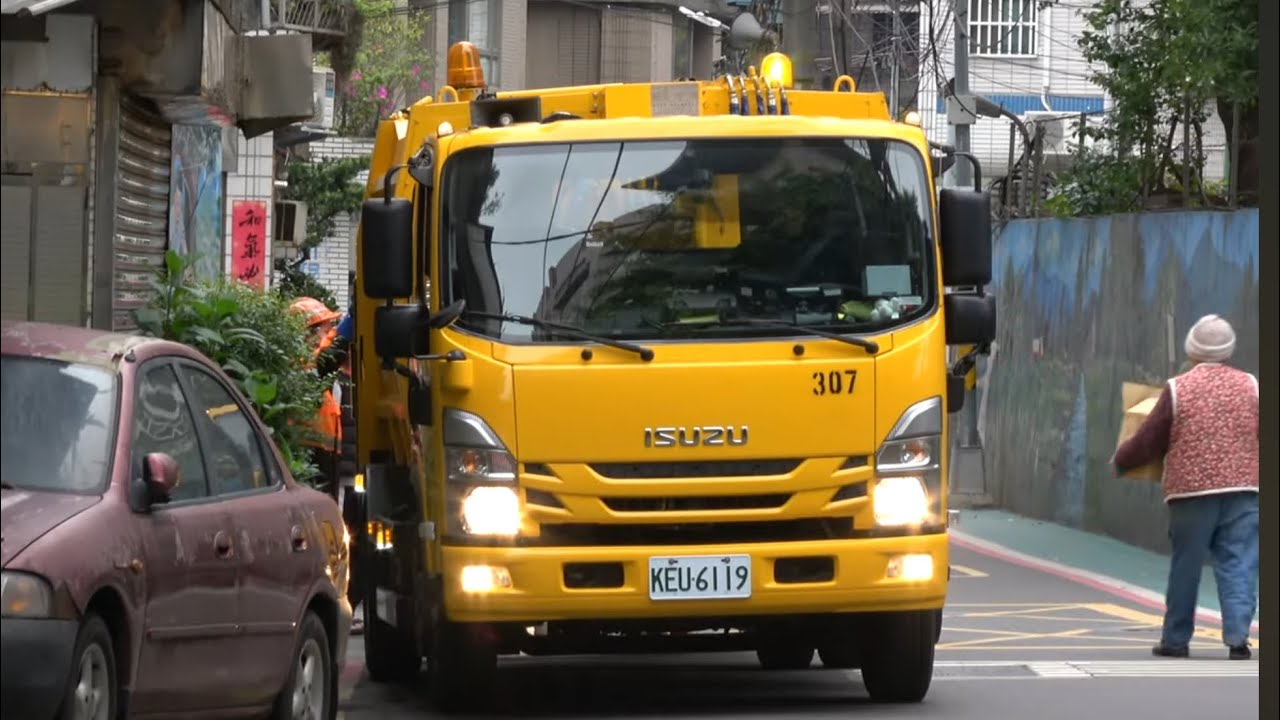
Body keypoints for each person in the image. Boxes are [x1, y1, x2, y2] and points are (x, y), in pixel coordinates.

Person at [1112, 314, 1258, 661]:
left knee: (1186, 567)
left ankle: (1176, 640)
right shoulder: (1252, 385)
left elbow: (1149, 439)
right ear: (1228, 351)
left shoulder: (1178, 388)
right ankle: (1238, 640)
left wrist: (1122, 459)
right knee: (1239, 563)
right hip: (1244, 490)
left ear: (1192, 351)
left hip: (1190, 495)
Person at [290, 297, 353, 501]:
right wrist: (352, 318)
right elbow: (334, 348)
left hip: (322, 449)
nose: (325, 335)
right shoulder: (304, 364)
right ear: (308, 332)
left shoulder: (305, 361)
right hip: (312, 451)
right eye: (323, 330)